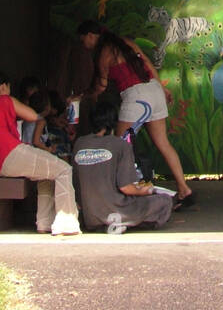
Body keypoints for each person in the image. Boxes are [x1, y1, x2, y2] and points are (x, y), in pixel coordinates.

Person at [79, 21, 196, 209]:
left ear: (91, 36)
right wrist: (162, 88)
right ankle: (184, 189)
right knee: (163, 143)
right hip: (154, 91)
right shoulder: (126, 43)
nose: (84, 45)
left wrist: (83, 96)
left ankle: (119, 193)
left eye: (84, 40)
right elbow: (148, 64)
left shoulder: (103, 54)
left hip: (137, 99)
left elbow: (100, 86)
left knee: (119, 145)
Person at [0, 70, 82, 235]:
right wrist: (44, 115)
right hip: (13, 153)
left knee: (46, 175)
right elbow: (32, 116)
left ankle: (44, 223)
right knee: (64, 169)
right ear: (4, 87)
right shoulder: (5, 100)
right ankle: (66, 222)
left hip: (0, 165)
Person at [73, 99, 174, 232]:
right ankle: (121, 223)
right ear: (114, 121)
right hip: (118, 211)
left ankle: (108, 224)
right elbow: (126, 188)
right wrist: (146, 190)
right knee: (165, 201)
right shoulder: (120, 145)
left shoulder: (80, 143)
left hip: (90, 217)